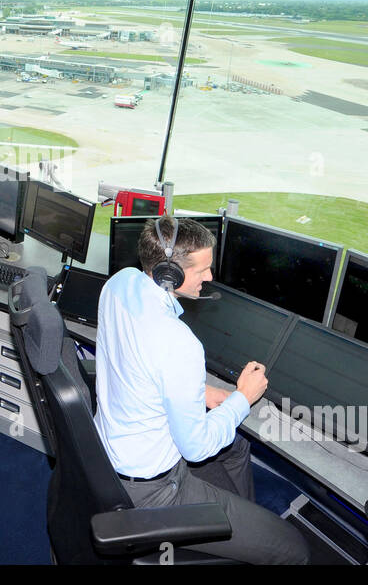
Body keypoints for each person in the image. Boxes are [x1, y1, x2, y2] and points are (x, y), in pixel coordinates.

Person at [93, 216, 309, 564]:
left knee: (237, 448)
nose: (209, 278)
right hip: (155, 490)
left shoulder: (119, 284)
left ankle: (247, 534)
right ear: (170, 274)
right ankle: (258, 540)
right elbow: (196, 449)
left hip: (111, 452)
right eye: (202, 270)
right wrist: (243, 397)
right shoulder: (179, 342)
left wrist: (199, 390)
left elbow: (134, 361)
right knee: (293, 549)